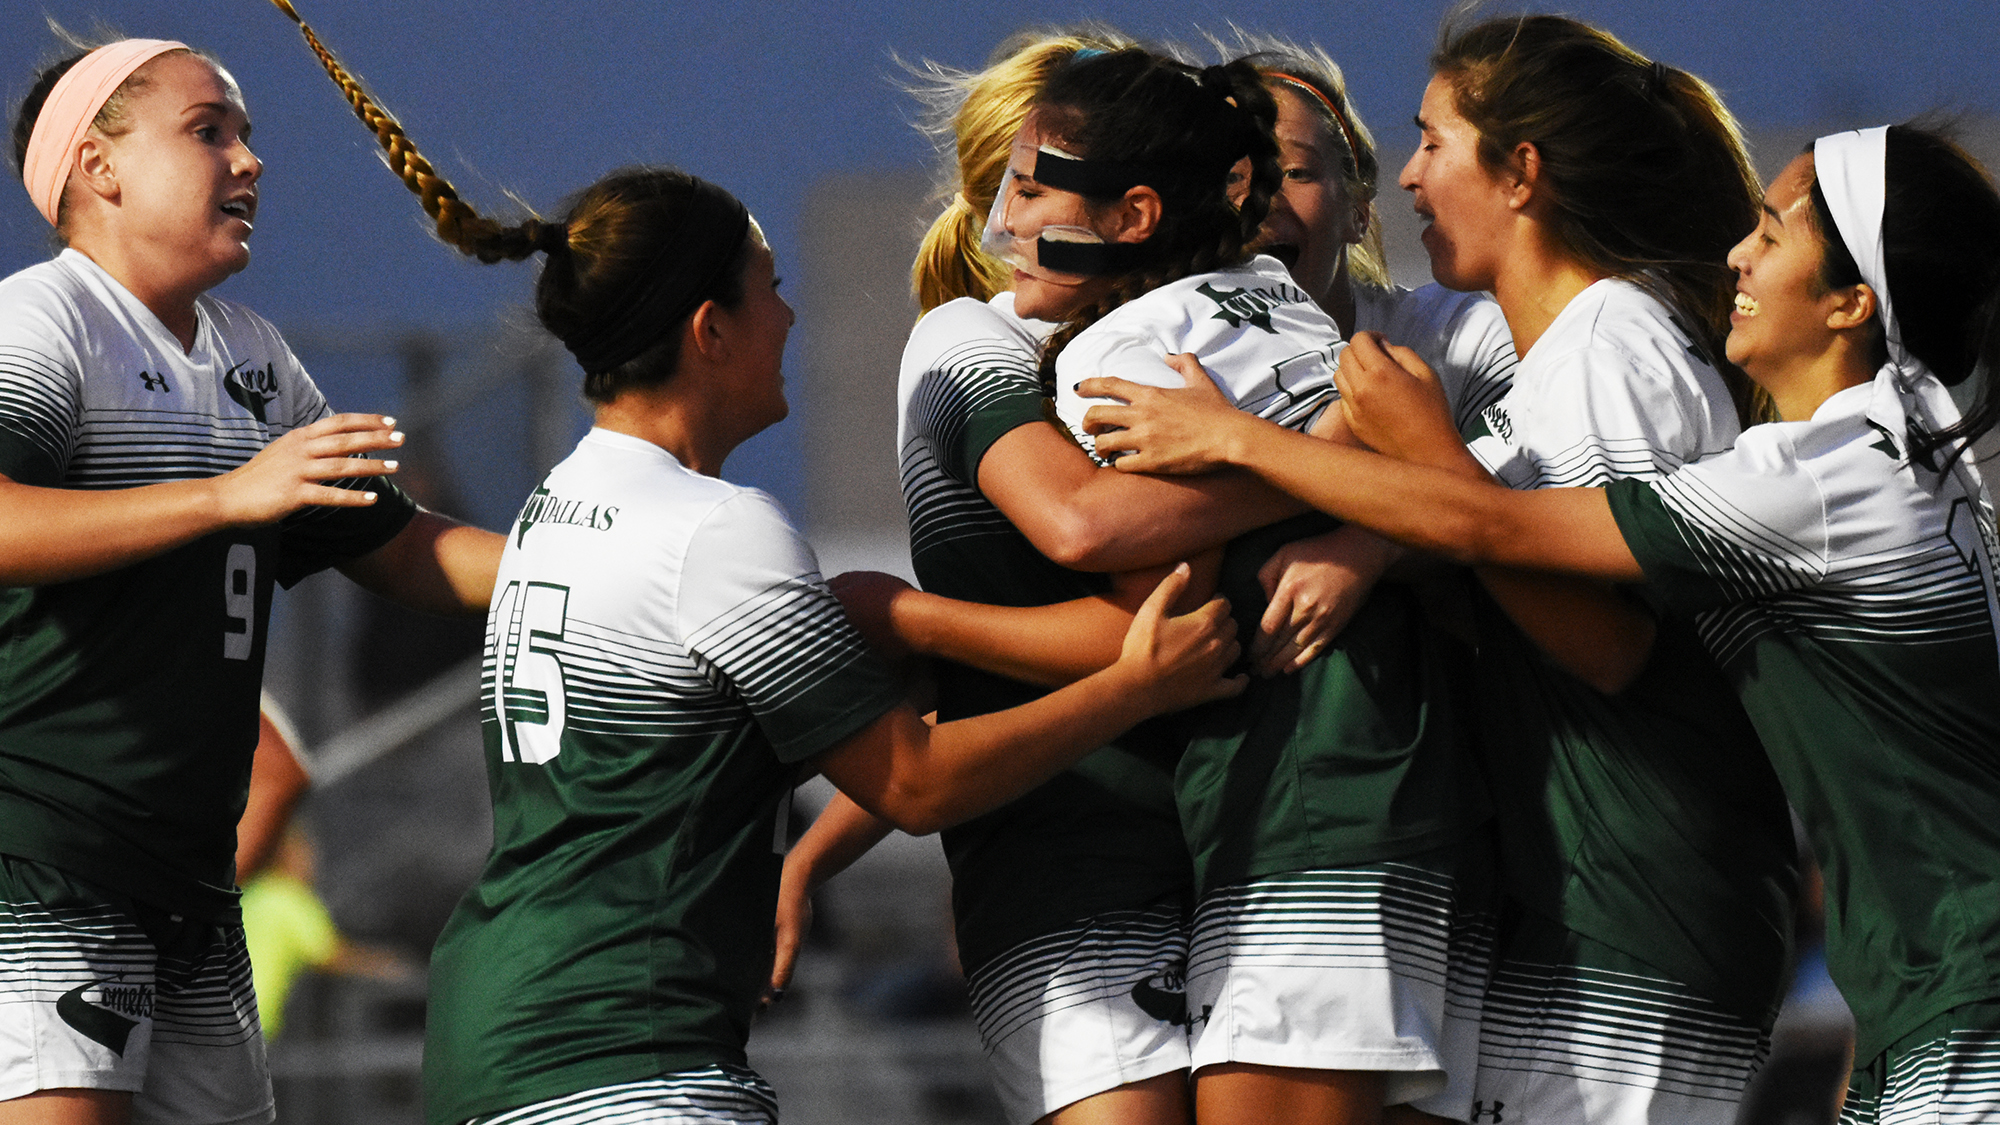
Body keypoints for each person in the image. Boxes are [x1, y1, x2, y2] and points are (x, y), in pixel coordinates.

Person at [266, 9, 1245, 1125]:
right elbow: (913, 782)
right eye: (768, 287)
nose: (788, 316)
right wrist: (1136, 684)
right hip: (623, 1057)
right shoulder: (716, 531)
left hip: (491, 1045)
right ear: (708, 329)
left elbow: (419, 559)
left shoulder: (564, 505)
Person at [1080, 119, 2000, 1125]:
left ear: (1850, 304)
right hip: (1923, 995)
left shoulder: (1820, 475)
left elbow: (1497, 529)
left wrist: (1236, 438)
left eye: (1773, 237)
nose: (1739, 252)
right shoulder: (1901, 448)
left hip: (1948, 992)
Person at [0, 31, 502, 1125]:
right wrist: (227, 497)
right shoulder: (42, 323)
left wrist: (590, 564)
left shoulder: (253, 357)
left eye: (247, 133)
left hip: (189, 887)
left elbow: (401, 547)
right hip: (41, 861)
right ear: (99, 166)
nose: (249, 160)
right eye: (208, 130)